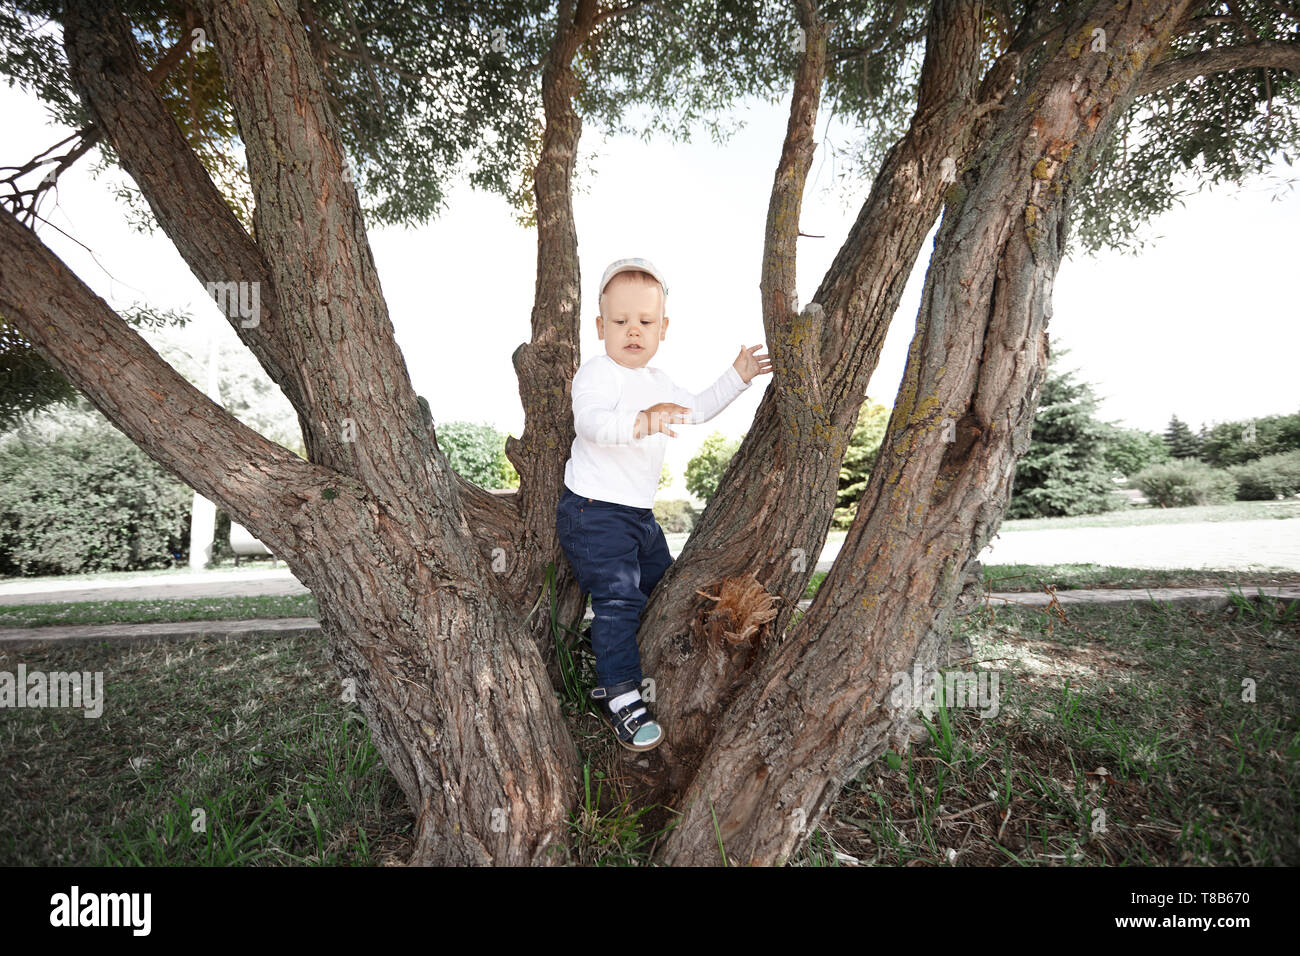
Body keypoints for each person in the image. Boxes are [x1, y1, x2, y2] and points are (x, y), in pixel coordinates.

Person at [556, 257, 772, 751]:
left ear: (663, 328)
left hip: (637, 517)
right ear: (600, 327)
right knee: (618, 599)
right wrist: (640, 421)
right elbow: (590, 423)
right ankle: (620, 697)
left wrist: (736, 378)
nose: (633, 331)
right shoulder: (598, 373)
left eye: (646, 322)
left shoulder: (659, 380)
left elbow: (694, 408)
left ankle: (611, 656)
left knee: (665, 587)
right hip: (594, 512)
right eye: (620, 322)